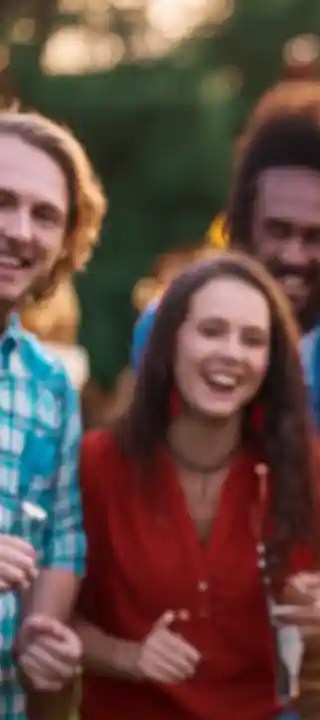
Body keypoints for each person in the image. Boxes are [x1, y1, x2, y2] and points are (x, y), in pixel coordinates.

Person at [73, 253, 320, 720]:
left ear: (271, 360)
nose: (231, 353)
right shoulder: (98, 464)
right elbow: (51, 622)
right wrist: (128, 657)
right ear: (171, 343)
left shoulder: (302, 469)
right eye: (211, 331)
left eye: (253, 340)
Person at [131, 80, 320, 445]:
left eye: (315, 237)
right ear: (244, 227)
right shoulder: (166, 325)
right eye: (278, 231)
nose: (293, 256)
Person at [0, 109, 106, 718]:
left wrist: (41, 630)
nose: (20, 231)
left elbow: (62, 536)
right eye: (3, 201)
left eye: (45, 215)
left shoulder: (50, 385)